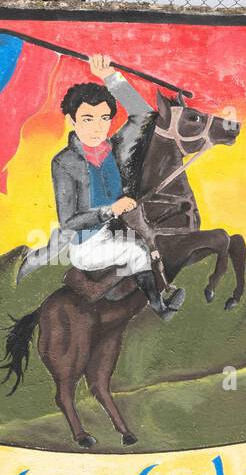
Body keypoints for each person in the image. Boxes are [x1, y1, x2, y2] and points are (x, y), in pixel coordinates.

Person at [21, 54, 185, 318]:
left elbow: (143, 115)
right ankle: (160, 307)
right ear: (72, 121)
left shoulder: (114, 148)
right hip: (88, 244)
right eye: (88, 119)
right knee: (138, 251)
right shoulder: (64, 162)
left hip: (117, 225)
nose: (98, 127)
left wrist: (110, 77)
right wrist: (110, 210)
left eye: (104, 118)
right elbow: (69, 222)